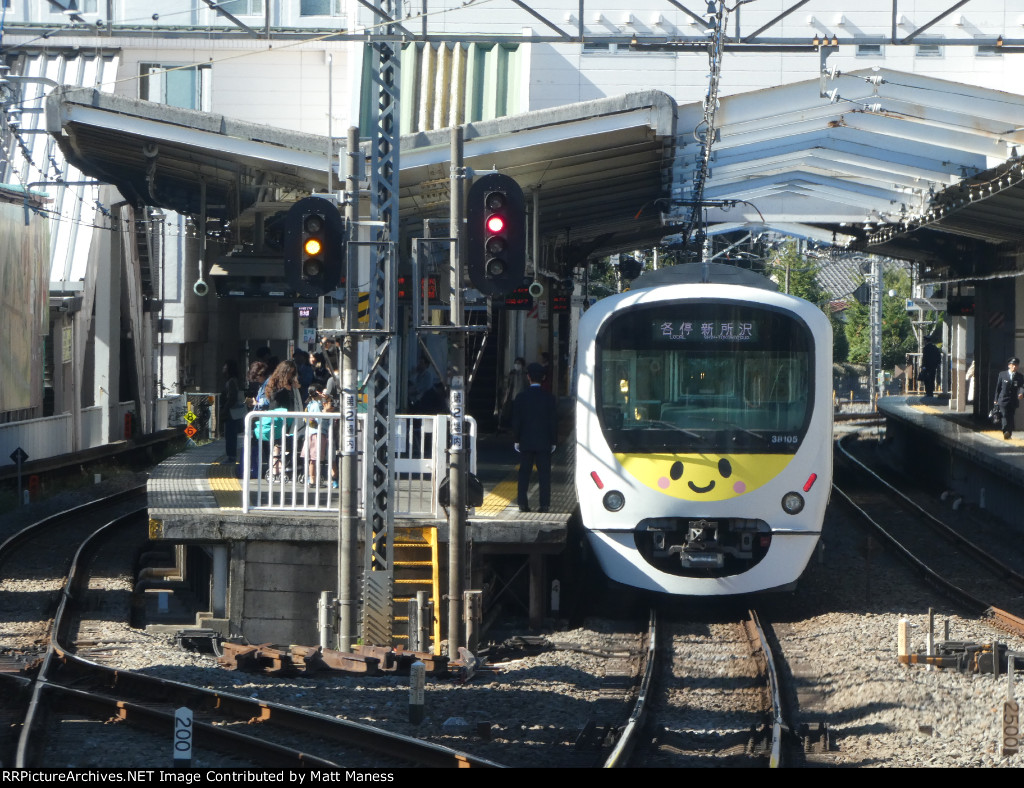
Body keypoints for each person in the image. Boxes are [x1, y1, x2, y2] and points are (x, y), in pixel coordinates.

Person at [511, 362, 558, 513]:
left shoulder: (521, 397)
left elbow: (516, 421)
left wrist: (517, 439)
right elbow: (553, 422)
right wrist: (553, 441)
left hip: (526, 441)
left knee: (524, 473)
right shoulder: (549, 398)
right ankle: (544, 505)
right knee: (544, 475)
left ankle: (522, 504)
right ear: (543, 378)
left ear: (528, 377)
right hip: (544, 442)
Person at [994, 357, 1024, 440]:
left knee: (1011, 417)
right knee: (1004, 415)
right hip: (1003, 400)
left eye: (1016, 365)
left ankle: (1009, 433)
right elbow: (998, 388)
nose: (1014, 367)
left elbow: (1022, 386)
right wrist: (995, 399)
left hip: (1013, 400)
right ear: (1009, 365)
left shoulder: (1020, 376)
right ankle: (1005, 431)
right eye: (1013, 365)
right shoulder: (1002, 374)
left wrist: (1021, 393)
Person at [220, 360, 243, 465]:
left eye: (225, 367)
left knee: (230, 435)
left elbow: (231, 398)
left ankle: (231, 457)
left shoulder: (231, 382)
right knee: (231, 434)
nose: (223, 369)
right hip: (233, 412)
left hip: (231, 413)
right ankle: (231, 456)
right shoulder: (235, 380)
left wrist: (225, 409)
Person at [498, 357, 528, 431]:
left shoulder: (525, 374)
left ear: (522, 365)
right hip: (512, 397)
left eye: (519, 363)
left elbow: (526, 385)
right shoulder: (512, 373)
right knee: (512, 412)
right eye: (516, 363)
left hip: (522, 397)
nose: (517, 365)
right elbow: (508, 386)